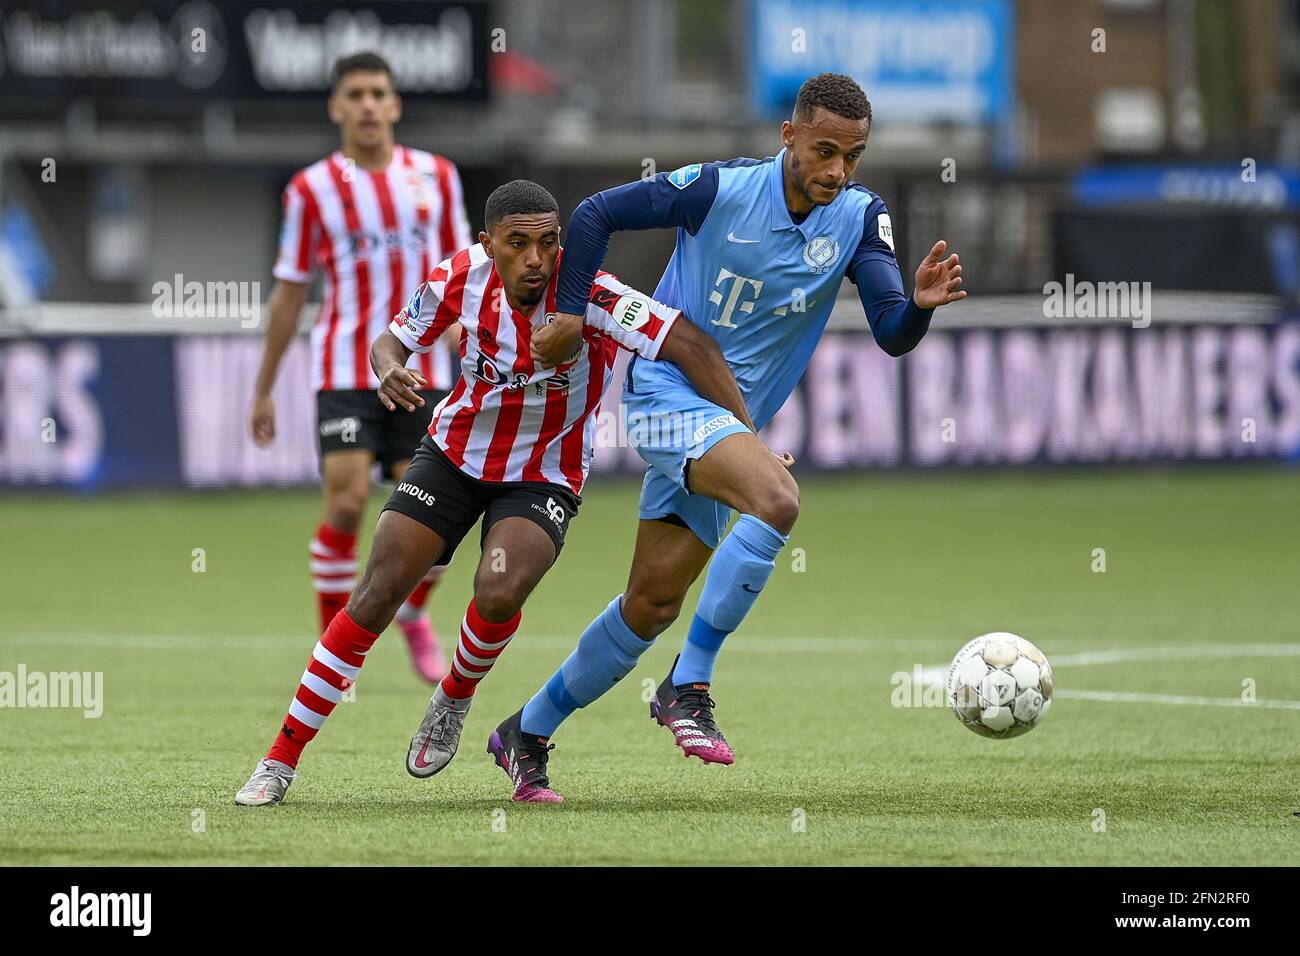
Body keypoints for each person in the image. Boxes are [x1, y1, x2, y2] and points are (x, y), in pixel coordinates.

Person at [507, 73, 966, 792]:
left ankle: (525, 732)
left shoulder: (858, 216)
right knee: (778, 501)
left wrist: (919, 307)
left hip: (724, 424)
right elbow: (595, 214)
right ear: (788, 136)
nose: (837, 171)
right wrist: (566, 314)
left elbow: (891, 332)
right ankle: (688, 688)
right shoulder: (718, 190)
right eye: (823, 151)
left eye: (853, 156)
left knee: (651, 604)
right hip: (665, 392)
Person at [234, 180, 752, 806]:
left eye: (548, 242)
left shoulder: (595, 295)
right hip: (453, 459)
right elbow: (393, 338)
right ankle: (279, 760)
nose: (537, 259)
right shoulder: (460, 277)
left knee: (500, 588)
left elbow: (692, 345)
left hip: (543, 476)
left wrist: (749, 442)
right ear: (488, 245)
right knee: (376, 593)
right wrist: (390, 366)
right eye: (518, 244)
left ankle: (455, 693)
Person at [251, 51, 471, 682]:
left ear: (396, 105)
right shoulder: (310, 189)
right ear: (337, 107)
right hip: (345, 367)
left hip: (422, 369)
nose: (369, 104)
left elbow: (462, 273)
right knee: (348, 503)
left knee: (433, 523)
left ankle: (411, 614)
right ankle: (334, 651)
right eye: (357, 93)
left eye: (379, 92)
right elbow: (291, 291)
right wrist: (264, 389)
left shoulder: (437, 176)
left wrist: (471, 344)